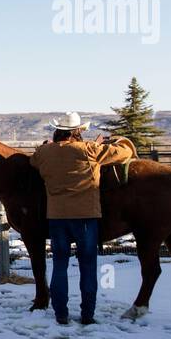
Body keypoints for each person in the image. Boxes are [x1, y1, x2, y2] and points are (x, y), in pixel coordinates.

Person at [29, 112, 134, 326]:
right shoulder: (89, 150)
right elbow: (124, 153)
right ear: (78, 132)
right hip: (86, 218)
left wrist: (48, 146)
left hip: (57, 218)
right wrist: (102, 144)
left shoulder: (45, 153)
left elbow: (33, 160)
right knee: (87, 266)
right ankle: (87, 314)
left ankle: (61, 314)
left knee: (59, 265)